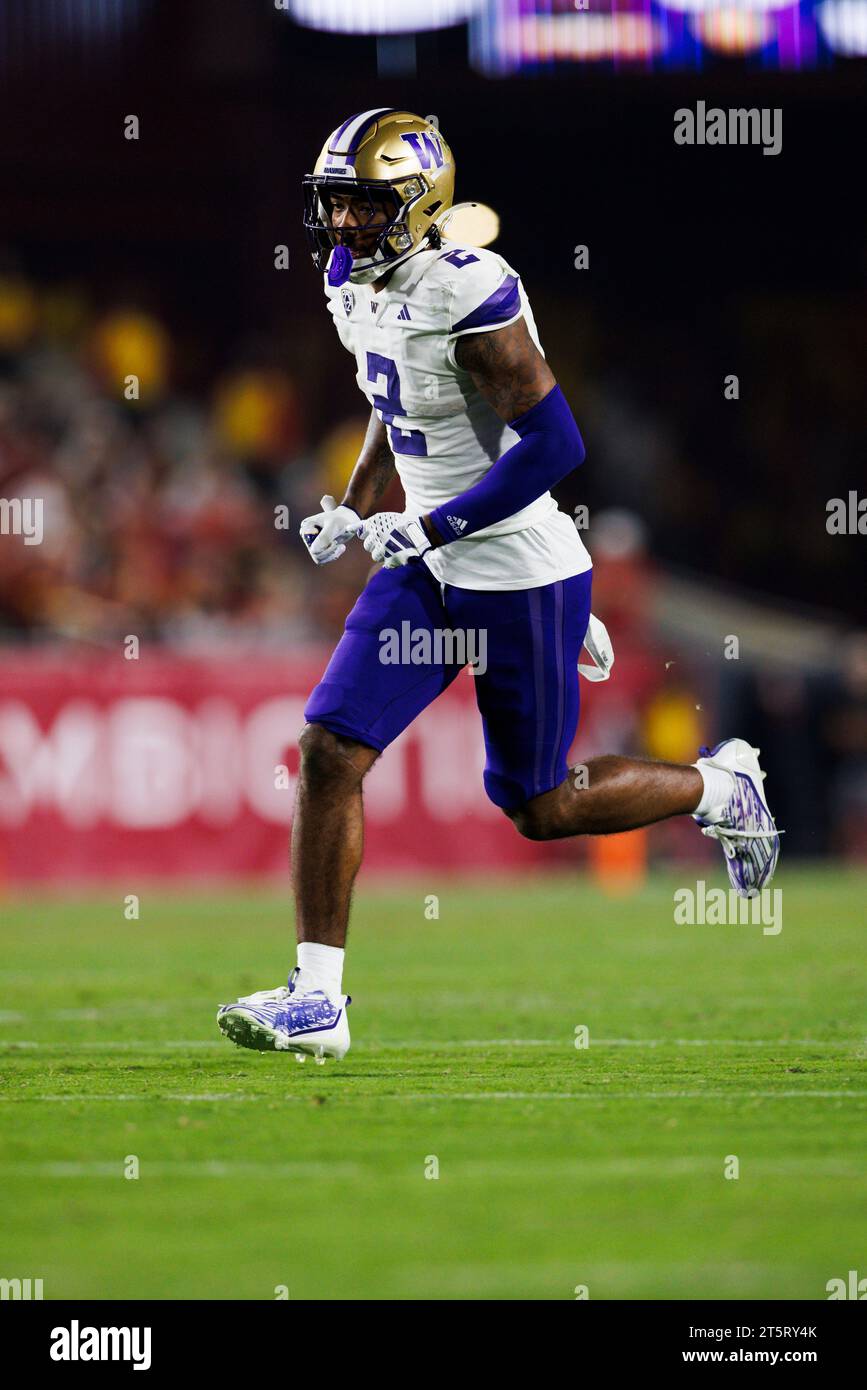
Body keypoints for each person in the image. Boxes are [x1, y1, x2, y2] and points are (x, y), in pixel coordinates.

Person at [217, 110, 780, 1061]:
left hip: (514, 568)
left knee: (538, 804)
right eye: (335, 204)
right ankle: (317, 1000)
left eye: (362, 205)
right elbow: (390, 393)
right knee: (328, 750)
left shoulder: (466, 287)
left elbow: (555, 445)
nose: (343, 223)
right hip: (427, 566)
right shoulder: (349, 278)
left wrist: (431, 522)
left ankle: (719, 788)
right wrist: (355, 504)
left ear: (417, 202)